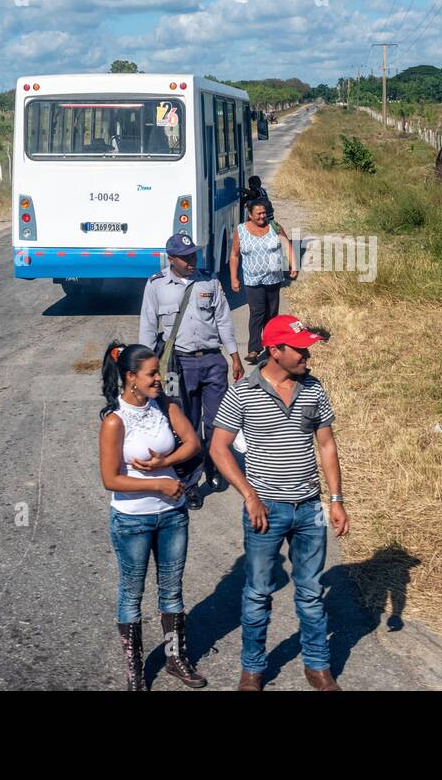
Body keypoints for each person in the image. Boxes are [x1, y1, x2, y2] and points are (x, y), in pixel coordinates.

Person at [209, 315, 349, 692]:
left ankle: (318, 666)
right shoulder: (243, 392)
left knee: (310, 589)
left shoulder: (314, 389)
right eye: (299, 348)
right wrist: (249, 496)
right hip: (266, 509)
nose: (306, 354)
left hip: (310, 507)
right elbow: (218, 448)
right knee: (257, 591)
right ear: (274, 350)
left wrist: (336, 500)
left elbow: (327, 445)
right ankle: (252, 669)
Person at [98, 341, 207, 691]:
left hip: (172, 517)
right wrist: (159, 484)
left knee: (172, 592)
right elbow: (109, 478)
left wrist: (165, 463)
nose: (159, 378)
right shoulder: (114, 421)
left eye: (157, 372)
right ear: (131, 378)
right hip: (132, 520)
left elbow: (193, 443)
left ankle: (175, 659)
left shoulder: (165, 406)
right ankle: (136, 673)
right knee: (131, 594)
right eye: (151, 374)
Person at [138, 232, 243, 508]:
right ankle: (191, 483)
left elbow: (223, 319)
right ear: (170, 259)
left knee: (217, 421)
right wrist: (146, 369)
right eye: (184, 258)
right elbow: (148, 327)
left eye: (193, 255)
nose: (190, 261)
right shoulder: (157, 285)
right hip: (180, 365)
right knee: (188, 424)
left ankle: (215, 466)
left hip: (212, 361)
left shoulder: (208, 280)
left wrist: (234, 355)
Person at [229, 198, 297, 362]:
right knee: (257, 313)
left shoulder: (274, 227)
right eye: (258, 213)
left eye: (264, 213)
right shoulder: (241, 230)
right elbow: (234, 254)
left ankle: (271, 346)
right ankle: (254, 349)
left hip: (273, 279)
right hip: (252, 280)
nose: (262, 216)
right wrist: (233, 278)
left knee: (271, 315)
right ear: (250, 215)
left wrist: (293, 265)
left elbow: (287, 245)